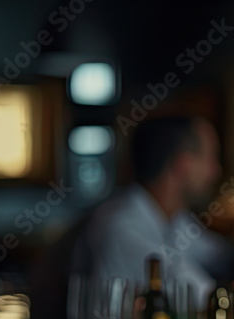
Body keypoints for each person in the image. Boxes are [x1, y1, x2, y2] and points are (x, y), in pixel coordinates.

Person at [73, 116, 225, 309]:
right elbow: (198, 293)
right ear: (183, 165)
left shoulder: (173, 218)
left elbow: (217, 254)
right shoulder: (123, 226)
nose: (216, 172)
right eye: (210, 158)